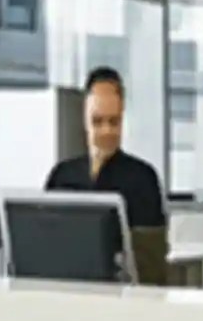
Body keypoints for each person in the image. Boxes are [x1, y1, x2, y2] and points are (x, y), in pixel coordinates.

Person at [45, 66, 167, 230]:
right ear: (85, 119)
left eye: (114, 122)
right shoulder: (61, 177)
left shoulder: (143, 179)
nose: (106, 131)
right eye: (97, 121)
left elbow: (149, 244)